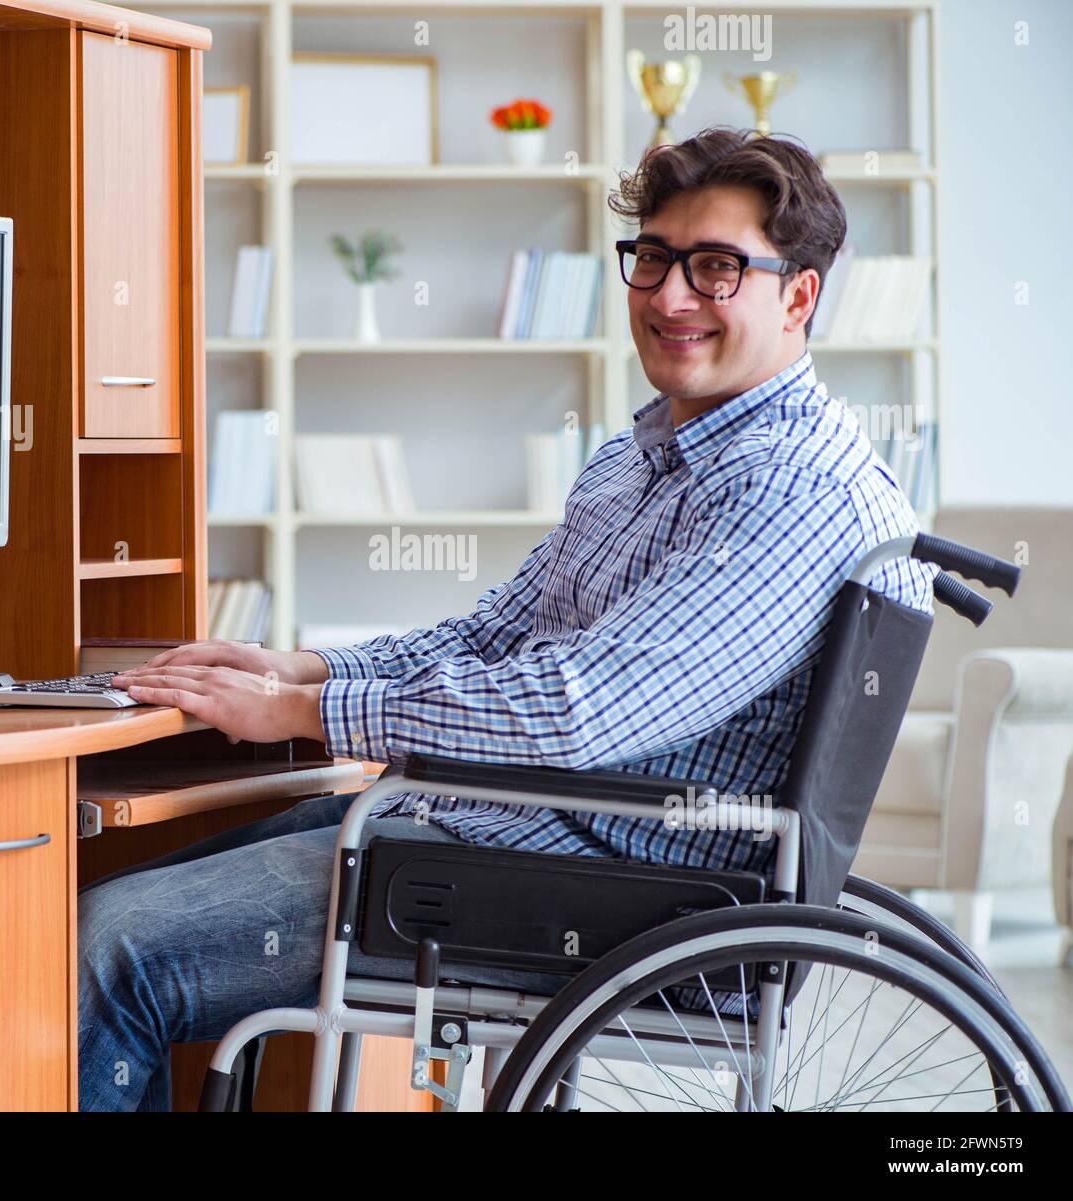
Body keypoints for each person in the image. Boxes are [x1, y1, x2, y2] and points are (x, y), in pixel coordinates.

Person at [78, 126, 933, 1110]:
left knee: (110, 946)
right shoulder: (644, 454)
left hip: (599, 889)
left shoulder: (795, 492)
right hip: (493, 832)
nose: (667, 297)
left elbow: (573, 709)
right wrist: (300, 670)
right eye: (651, 259)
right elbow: (492, 636)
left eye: (714, 267)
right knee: (108, 877)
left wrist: (310, 718)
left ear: (797, 295)